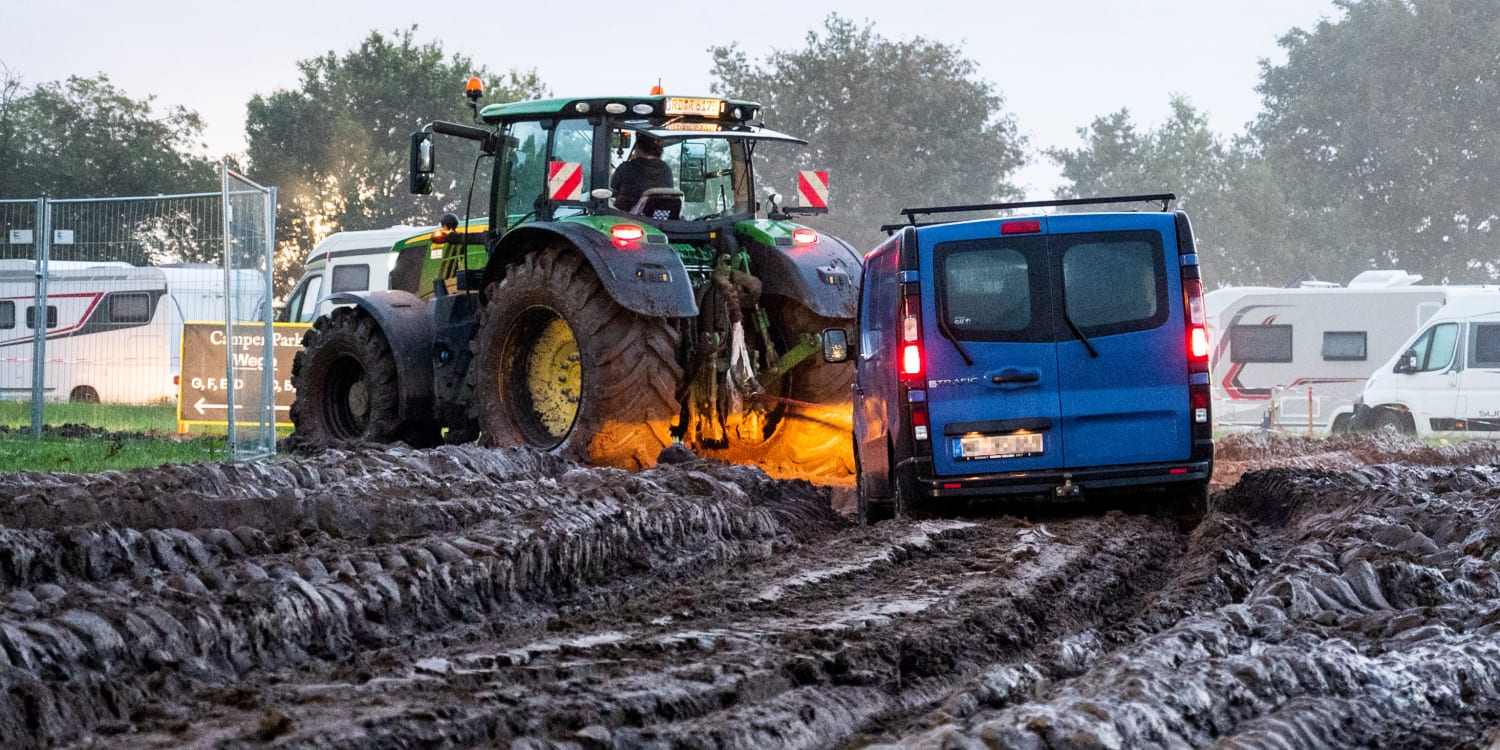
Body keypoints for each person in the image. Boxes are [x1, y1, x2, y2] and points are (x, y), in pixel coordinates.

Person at [610, 134, 675, 211]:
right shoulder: (667, 170)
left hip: (625, 215)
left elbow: (613, 187)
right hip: (658, 216)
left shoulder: (626, 168)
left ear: (638, 148)